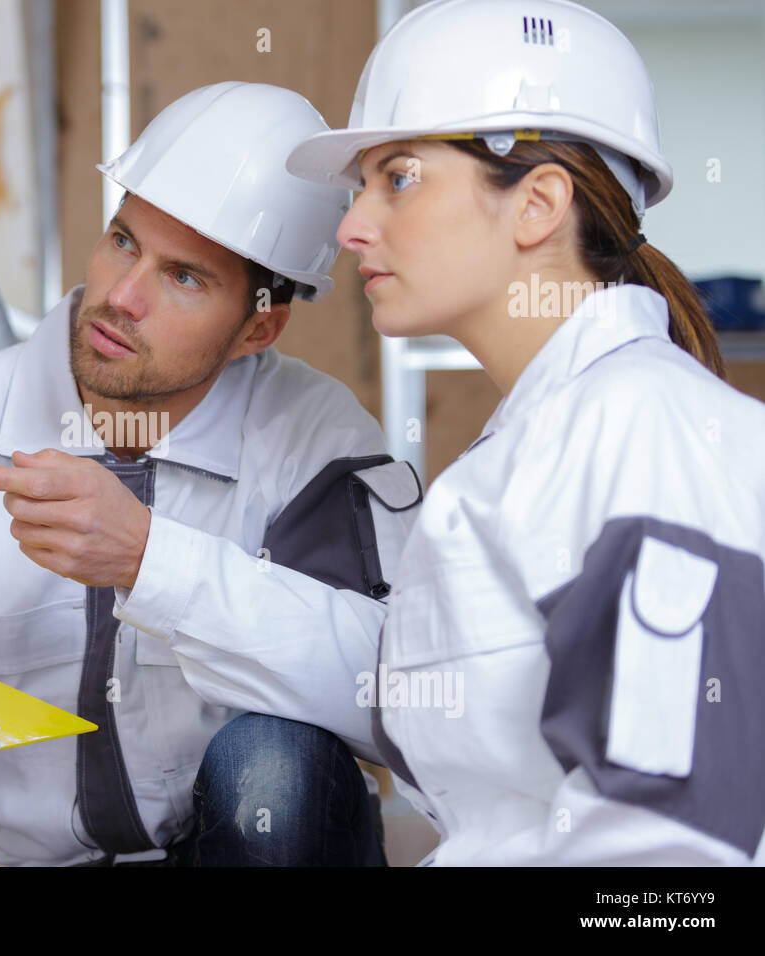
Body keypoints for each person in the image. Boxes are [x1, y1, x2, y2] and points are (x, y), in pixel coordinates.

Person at [0, 81, 422, 866]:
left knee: (276, 764)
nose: (120, 297)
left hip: (246, 851)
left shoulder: (314, 442)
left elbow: (394, 691)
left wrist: (154, 562)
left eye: (183, 277)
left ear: (259, 326)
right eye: (123, 241)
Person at [286, 0, 765, 864]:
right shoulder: (556, 435)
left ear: (538, 203)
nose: (353, 226)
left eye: (396, 177)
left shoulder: (636, 427)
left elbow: (677, 851)